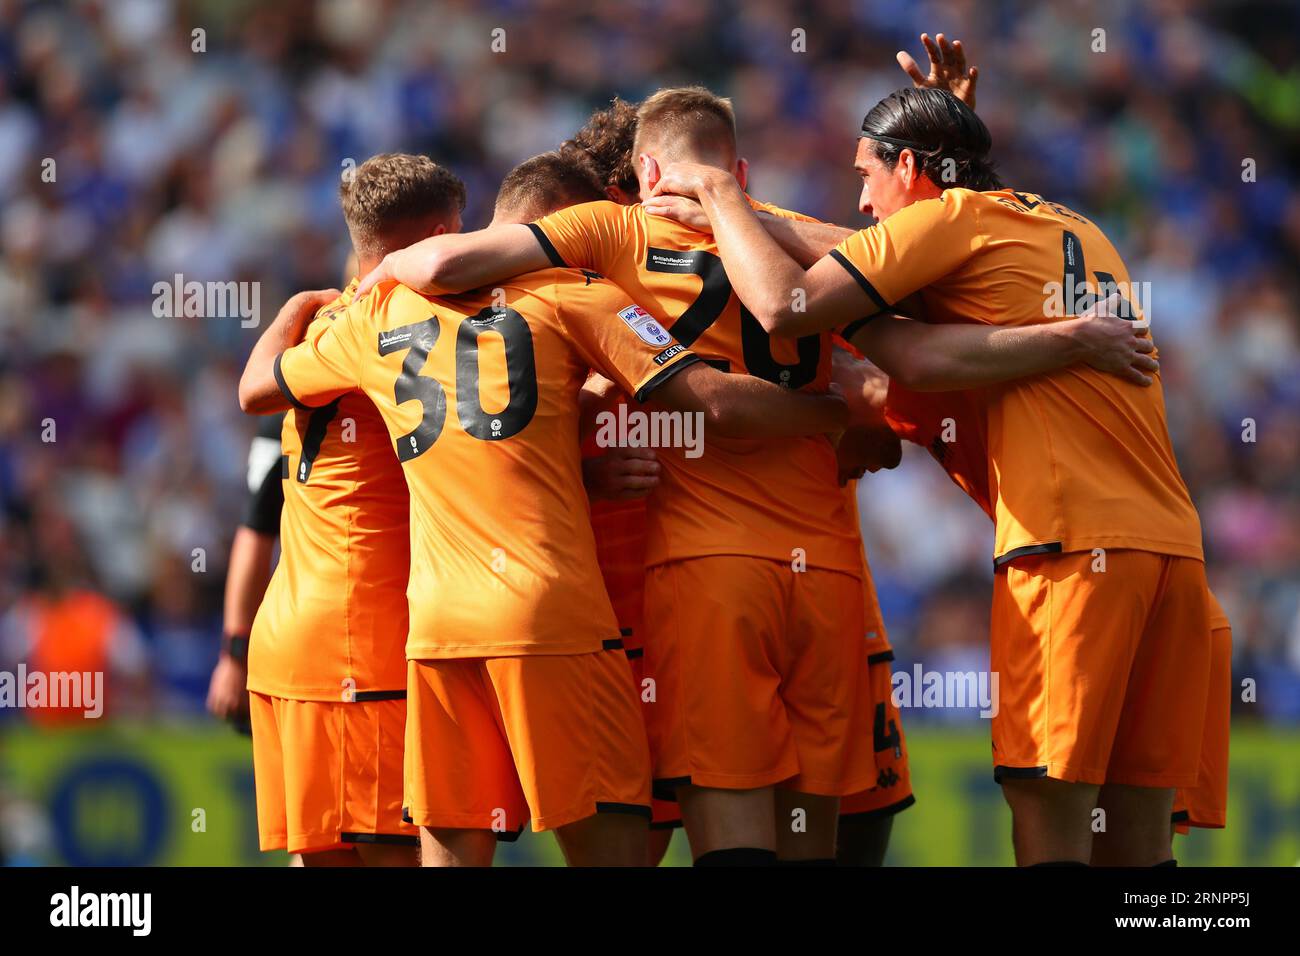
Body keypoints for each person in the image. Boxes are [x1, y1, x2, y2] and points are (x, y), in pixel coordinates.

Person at [648, 83, 1211, 866]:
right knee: (1139, 854)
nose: (865, 203)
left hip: (1073, 552)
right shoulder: (1065, 228)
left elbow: (785, 305)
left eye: (866, 177)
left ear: (907, 165)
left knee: (1052, 827)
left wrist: (718, 191)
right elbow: (910, 343)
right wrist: (761, 220)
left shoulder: (955, 224)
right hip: (1176, 557)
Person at [240, 150, 851, 867]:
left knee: (449, 852)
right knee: (613, 850)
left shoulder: (370, 314)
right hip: (550, 618)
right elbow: (712, 400)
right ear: (565, 226)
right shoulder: (574, 294)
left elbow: (257, 389)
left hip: (436, 633)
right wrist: (836, 409)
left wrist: (296, 308)